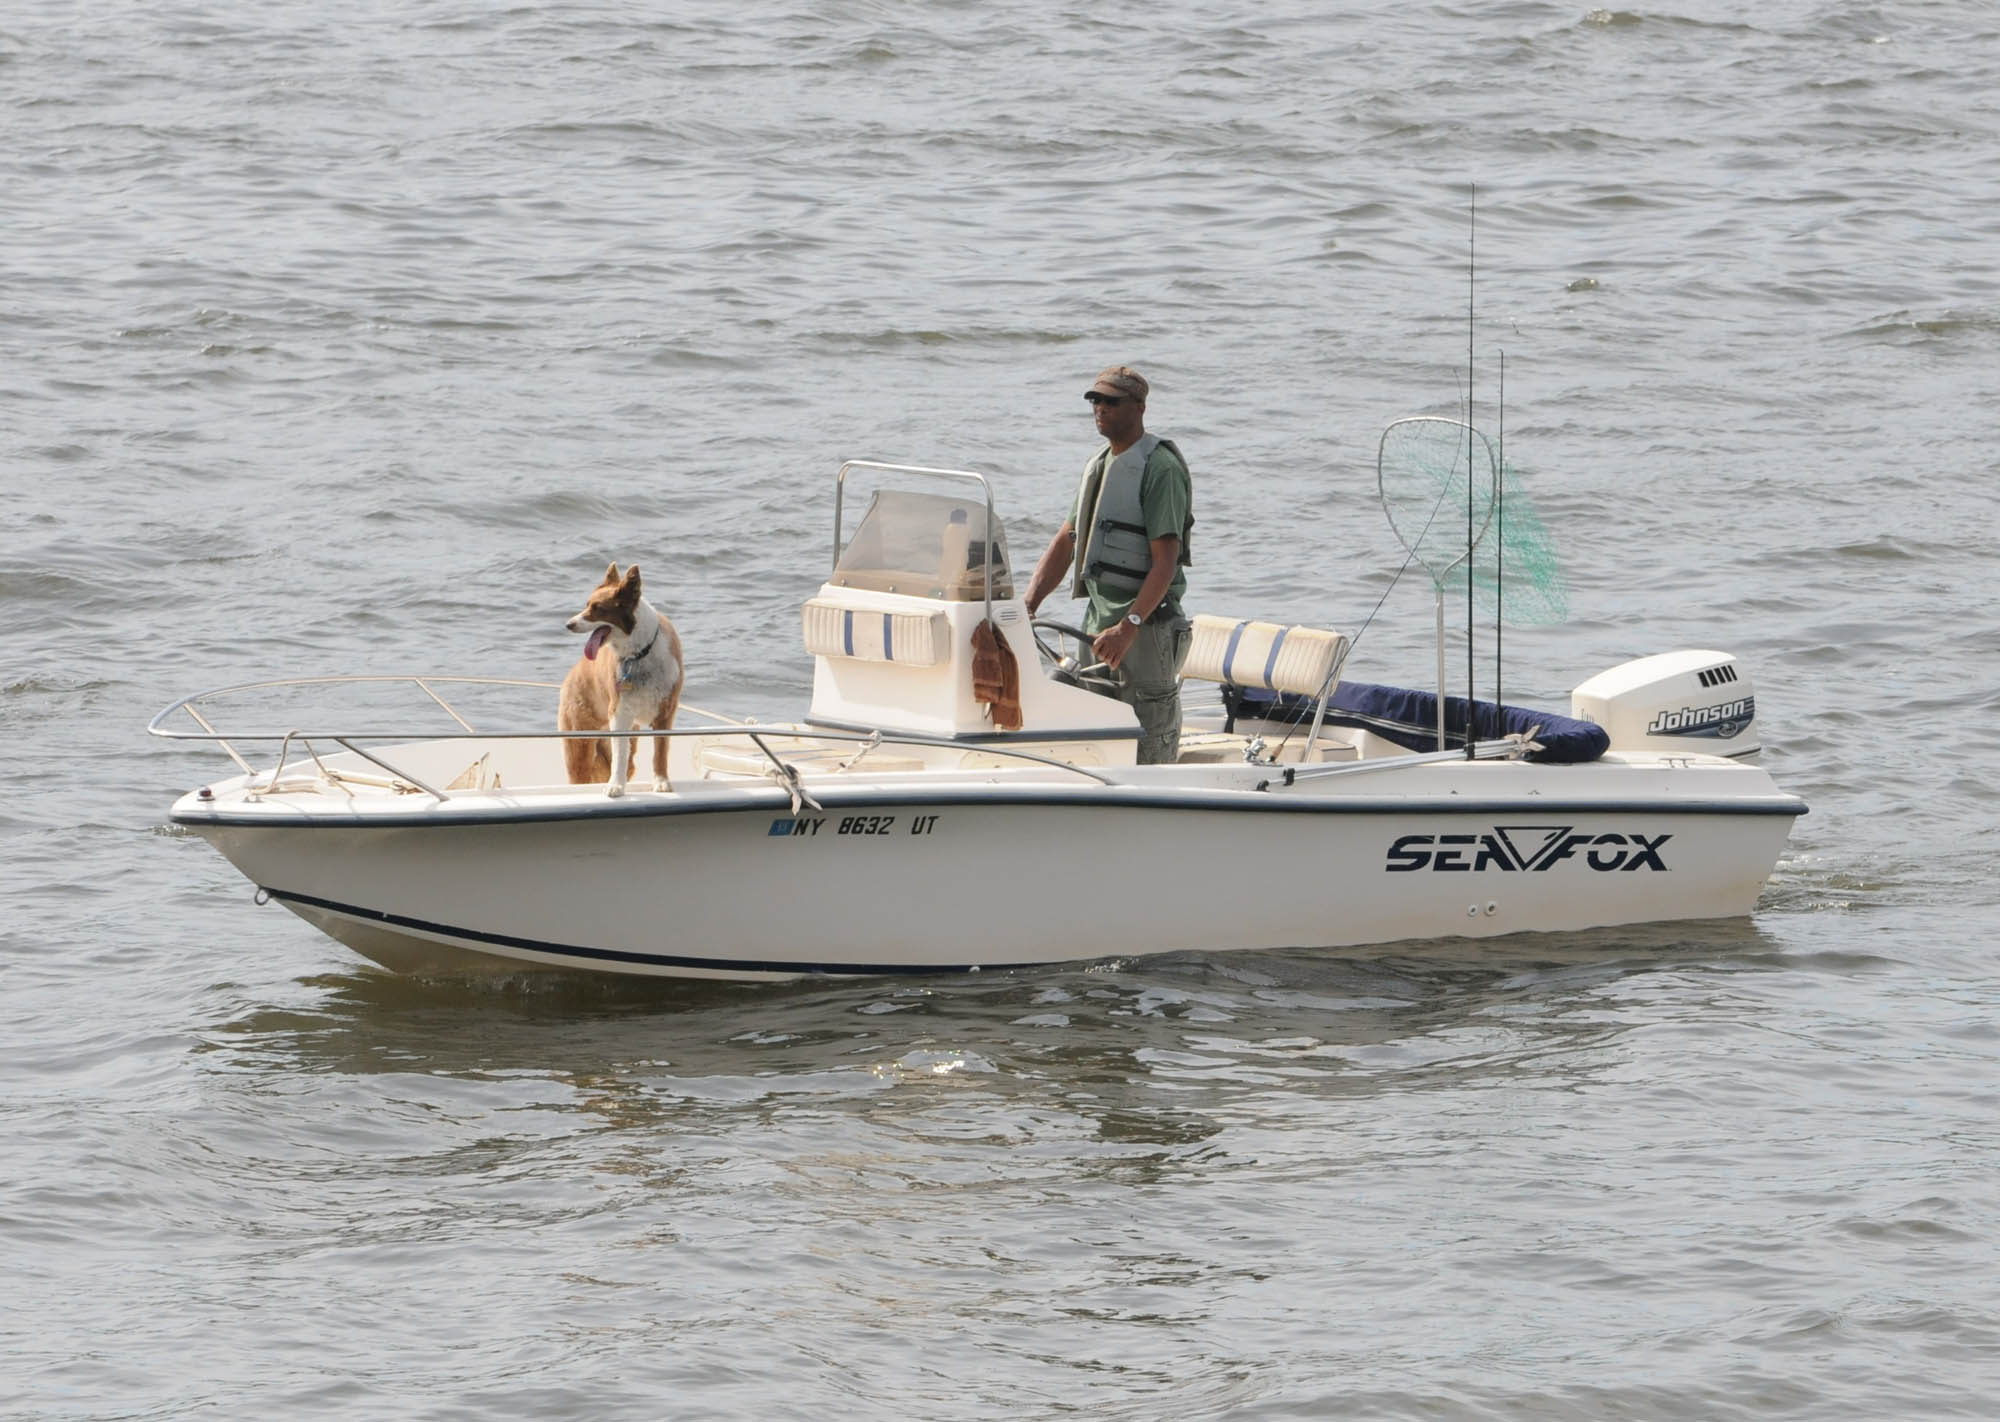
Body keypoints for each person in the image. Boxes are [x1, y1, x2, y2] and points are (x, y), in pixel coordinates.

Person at [1023, 364, 1194, 764]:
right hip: (1097, 625)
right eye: (1095, 400)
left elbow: (1165, 562)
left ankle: (1158, 804)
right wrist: (1028, 603)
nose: (1100, 408)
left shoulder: (1160, 469)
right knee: (1097, 736)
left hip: (1147, 628)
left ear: (1139, 408)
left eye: (1111, 402)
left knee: (1149, 735)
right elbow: (1067, 540)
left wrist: (1128, 627)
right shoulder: (1099, 466)